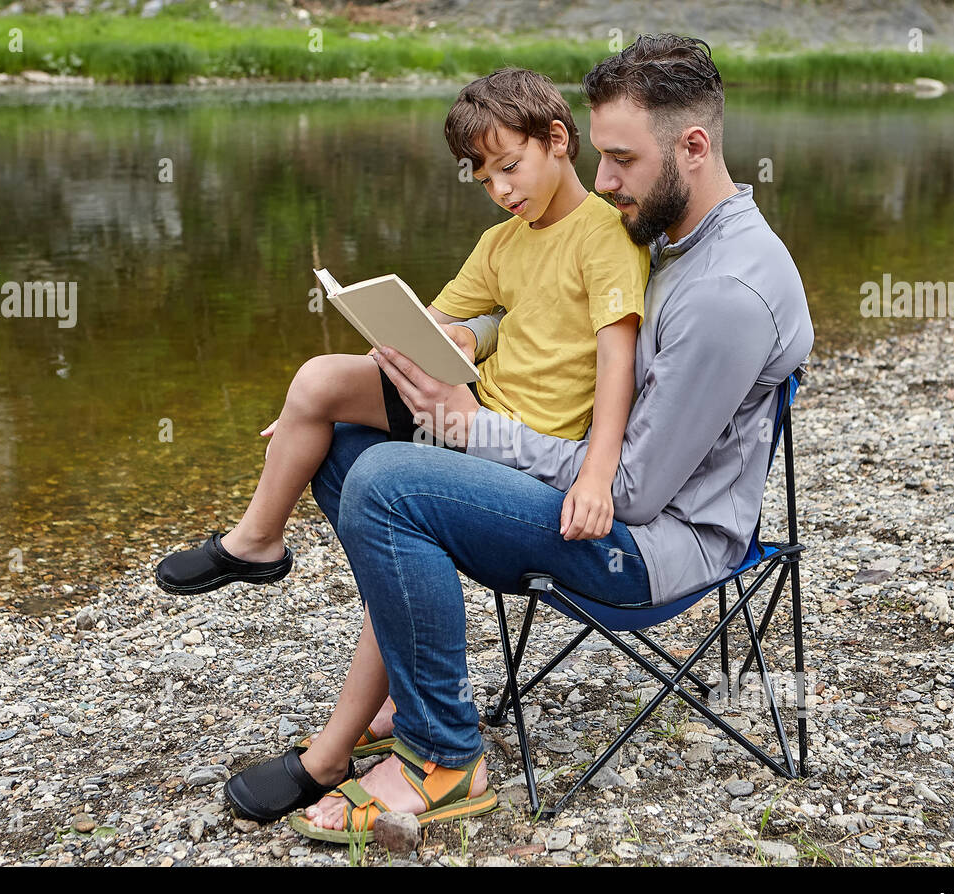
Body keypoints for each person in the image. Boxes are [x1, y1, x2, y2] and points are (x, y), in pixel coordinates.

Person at [226, 34, 816, 844]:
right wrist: (483, 332)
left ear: (693, 146)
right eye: (602, 158)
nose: (605, 183)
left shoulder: (725, 292)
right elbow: (557, 312)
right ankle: (403, 691)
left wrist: (475, 430)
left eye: (621, 161)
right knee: (337, 450)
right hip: (588, 497)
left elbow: (636, 492)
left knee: (389, 485)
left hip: (648, 547)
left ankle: (443, 759)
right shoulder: (672, 235)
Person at [154, 67, 649, 597]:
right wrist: (308, 405)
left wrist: (597, 477)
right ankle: (259, 542)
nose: (501, 190)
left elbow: (616, 363)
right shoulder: (500, 243)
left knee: (383, 508)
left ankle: (272, 546)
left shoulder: (607, 236)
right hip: (470, 399)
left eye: (509, 167)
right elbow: (431, 323)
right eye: (484, 180)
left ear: (556, 140)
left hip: (515, 441)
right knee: (319, 379)